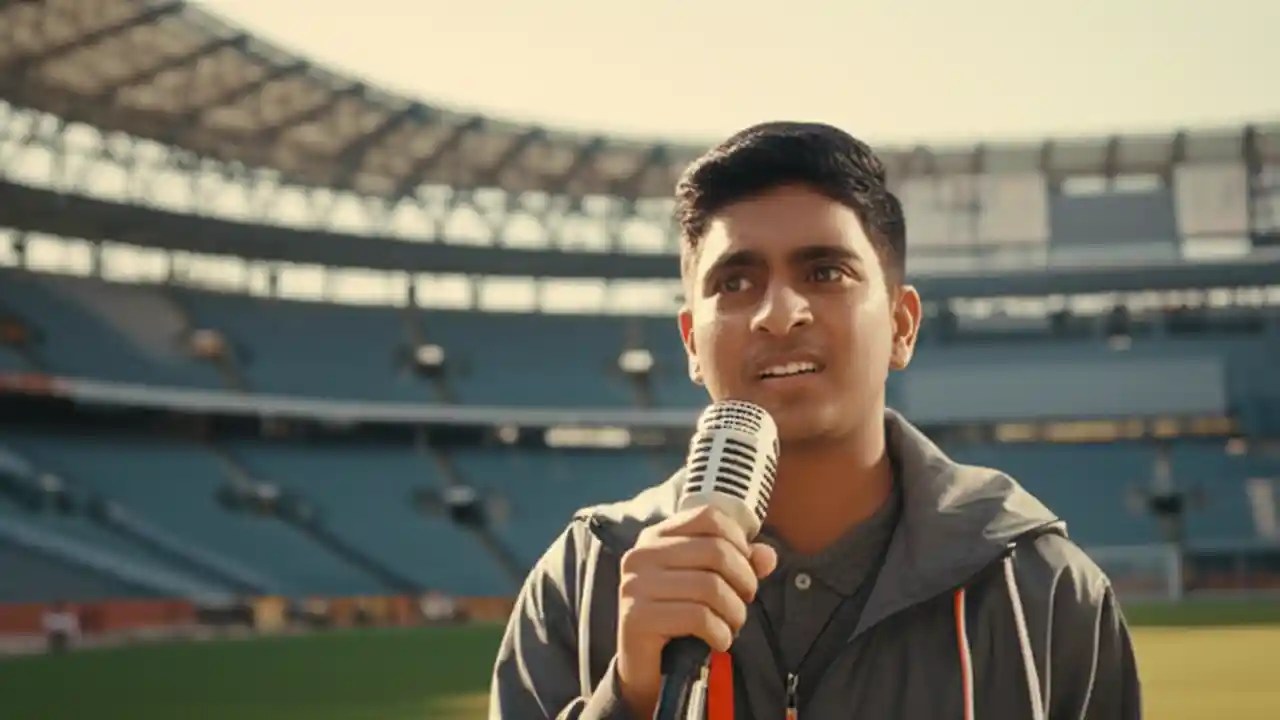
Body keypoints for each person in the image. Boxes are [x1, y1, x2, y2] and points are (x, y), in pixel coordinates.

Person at [490, 122, 1141, 719]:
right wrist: (628, 696)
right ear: (691, 342)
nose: (779, 312)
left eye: (825, 272)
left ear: (901, 324)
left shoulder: (1046, 593)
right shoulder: (581, 582)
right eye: (736, 283)